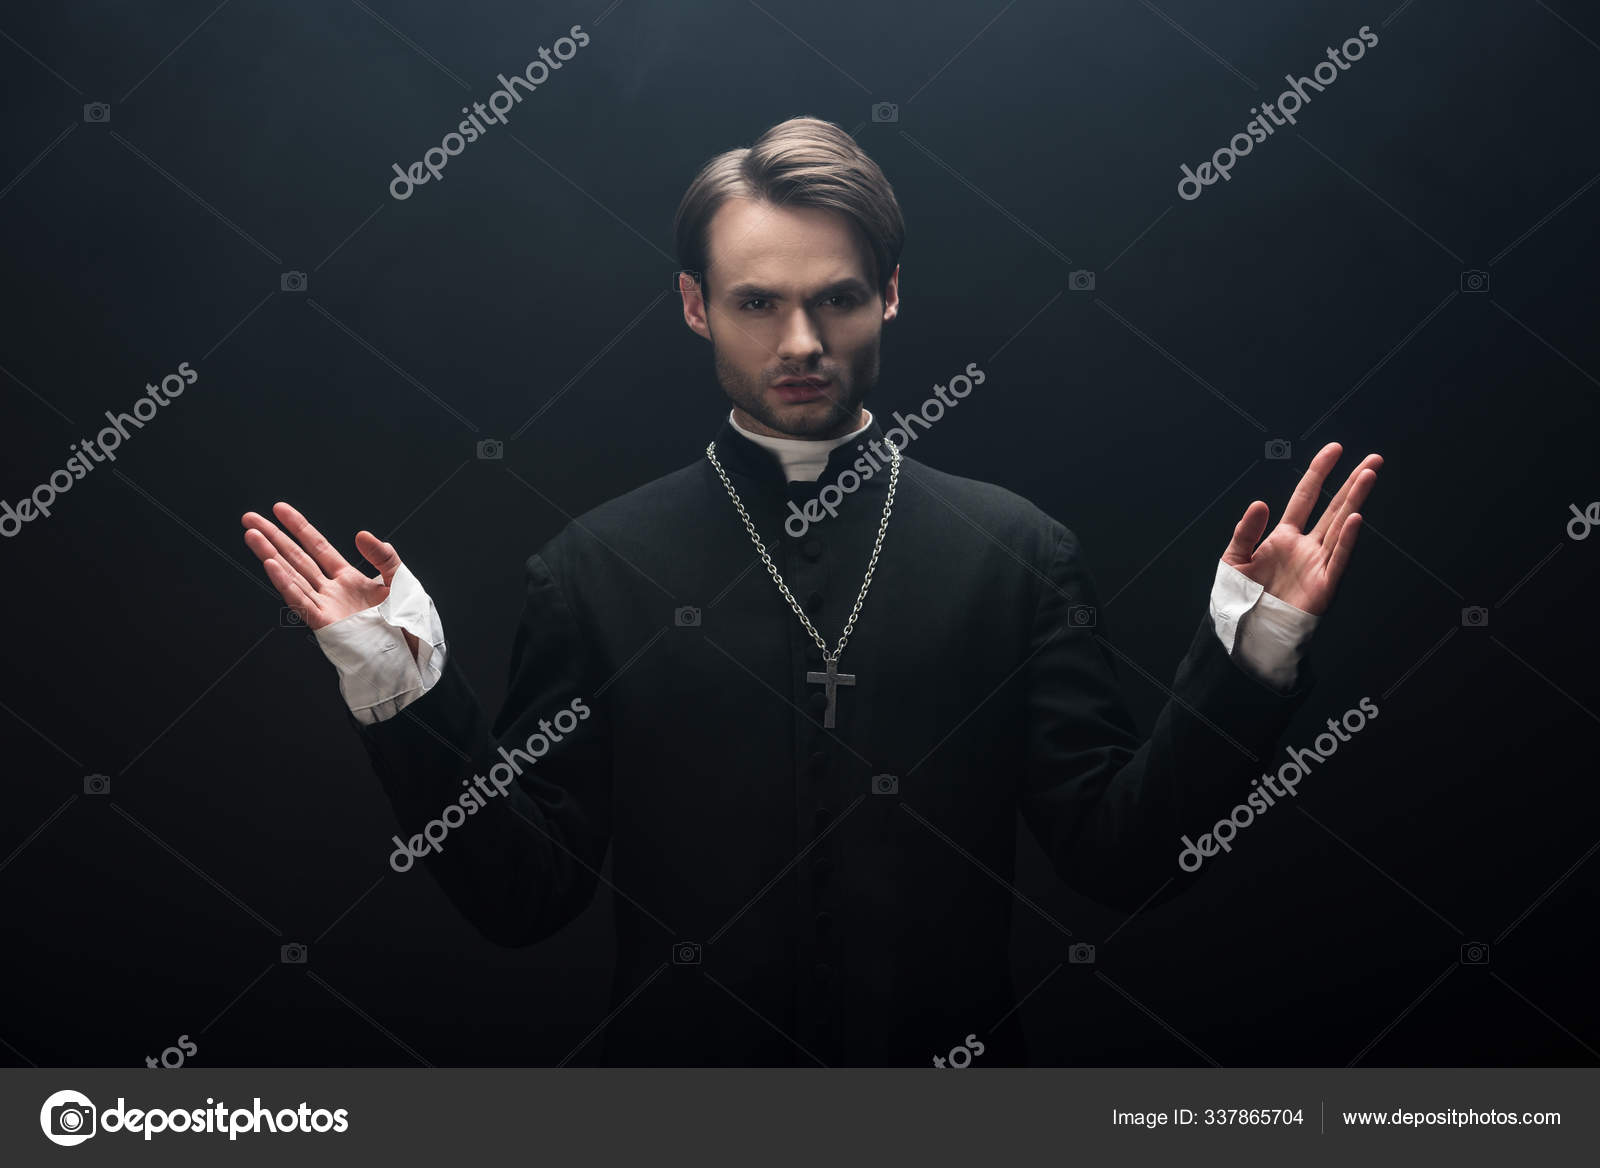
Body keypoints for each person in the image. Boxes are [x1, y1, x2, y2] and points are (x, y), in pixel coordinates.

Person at [241, 116, 1380, 1066]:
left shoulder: (1015, 552)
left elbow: (1117, 860)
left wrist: (1254, 649)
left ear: (890, 296)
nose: (800, 341)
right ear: (695, 305)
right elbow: (524, 900)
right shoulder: (595, 570)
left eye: (836, 299)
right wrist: (400, 688)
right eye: (756, 303)